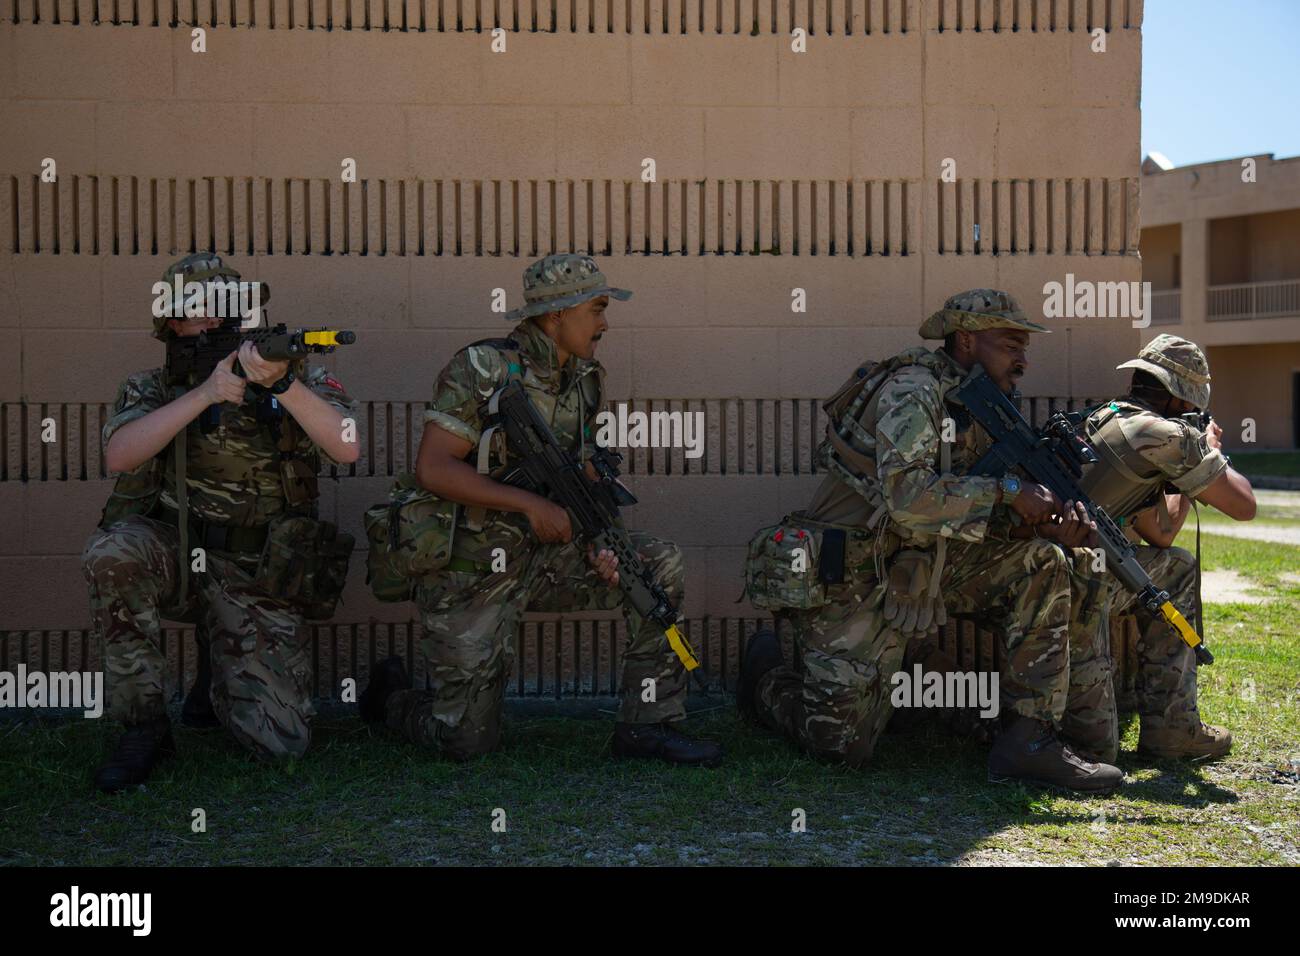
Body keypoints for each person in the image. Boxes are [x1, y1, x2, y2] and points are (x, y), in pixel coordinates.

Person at [738, 289, 1122, 793]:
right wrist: (1009, 491)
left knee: (1042, 562)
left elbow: (972, 512)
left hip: (928, 563)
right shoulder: (914, 390)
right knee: (840, 745)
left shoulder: (984, 406)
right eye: (1011, 344)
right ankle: (766, 676)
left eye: (1025, 347)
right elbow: (907, 497)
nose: (1023, 360)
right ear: (965, 339)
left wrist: (1038, 526)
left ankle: (1028, 739)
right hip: (858, 573)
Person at [360, 254, 722, 767]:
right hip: (474, 568)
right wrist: (529, 504)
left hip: (546, 559)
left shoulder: (587, 378)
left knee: (656, 565)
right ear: (556, 315)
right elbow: (434, 468)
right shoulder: (483, 368)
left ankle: (649, 726)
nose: (604, 323)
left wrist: (601, 542)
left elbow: (584, 473)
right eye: (595, 309)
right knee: (464, 741)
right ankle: (389, 698)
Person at [83, 253, 359, 792]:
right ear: (172, 327)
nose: (212, 322)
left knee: (281, 745)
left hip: (257, 572)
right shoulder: (151, 387)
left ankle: (218, 670)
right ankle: (144, 728)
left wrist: (281, 387)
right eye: (196, 313)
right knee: (111, 553)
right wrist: (204, 394)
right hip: (178, 557)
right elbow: (120, 454)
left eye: (224, 312)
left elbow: (347, 447)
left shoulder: (297, 375)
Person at [1064, 334, 1255, 762]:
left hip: (1064, 568)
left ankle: (1170, 729)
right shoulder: (1166, 434)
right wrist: (1209, 454)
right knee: (1181, 569)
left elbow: (1160, 533)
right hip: (1078, 581)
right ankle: (1173, 729)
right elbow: (1244, 505)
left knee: (1175, 563)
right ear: (1179, 397)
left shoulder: (1107, 418)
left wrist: (1184, 478)